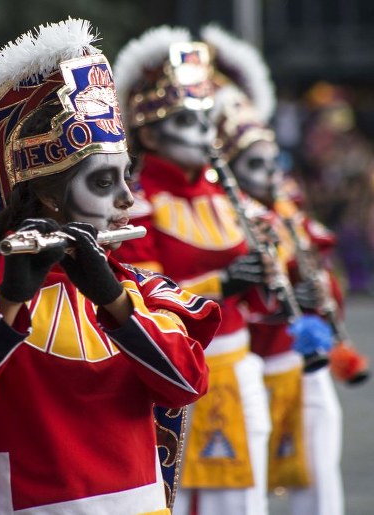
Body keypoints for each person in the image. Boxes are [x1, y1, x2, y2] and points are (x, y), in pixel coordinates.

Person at [0, 19, 221, 514]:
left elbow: (186, 383)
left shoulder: (138, 287)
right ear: (48, 194)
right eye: (103, 182)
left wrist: (113, 300)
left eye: (124, 176)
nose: (127, 199)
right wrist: (9, 304)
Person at [111, 26, 274, 515]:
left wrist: (270, 274)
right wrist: (222, 284)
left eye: (207, 117)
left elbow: (262, 291)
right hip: (176, 371)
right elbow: (143, 294)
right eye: (187, 119)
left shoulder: (229, 196)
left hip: (241, 368)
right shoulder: (137, 204)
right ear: (148, 131)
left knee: (247, 500)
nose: (205, 132)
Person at [204, 24, 354, 515]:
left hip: (298, 362)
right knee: (245, 490)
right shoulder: (227, 213)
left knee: (319, 476)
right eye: (255, 166)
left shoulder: (284, 207)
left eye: (274, 163)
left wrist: (319, 293)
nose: (271, 176)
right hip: (252, 363)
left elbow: (326, 274)